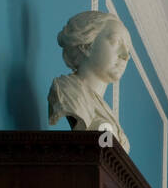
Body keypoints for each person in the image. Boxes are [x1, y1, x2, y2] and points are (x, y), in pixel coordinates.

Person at [48, 11, 132, 152]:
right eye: (116, 42)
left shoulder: (107, 112)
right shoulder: (68, 91)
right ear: (86, 46)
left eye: (128, 49)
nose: (125, 56)